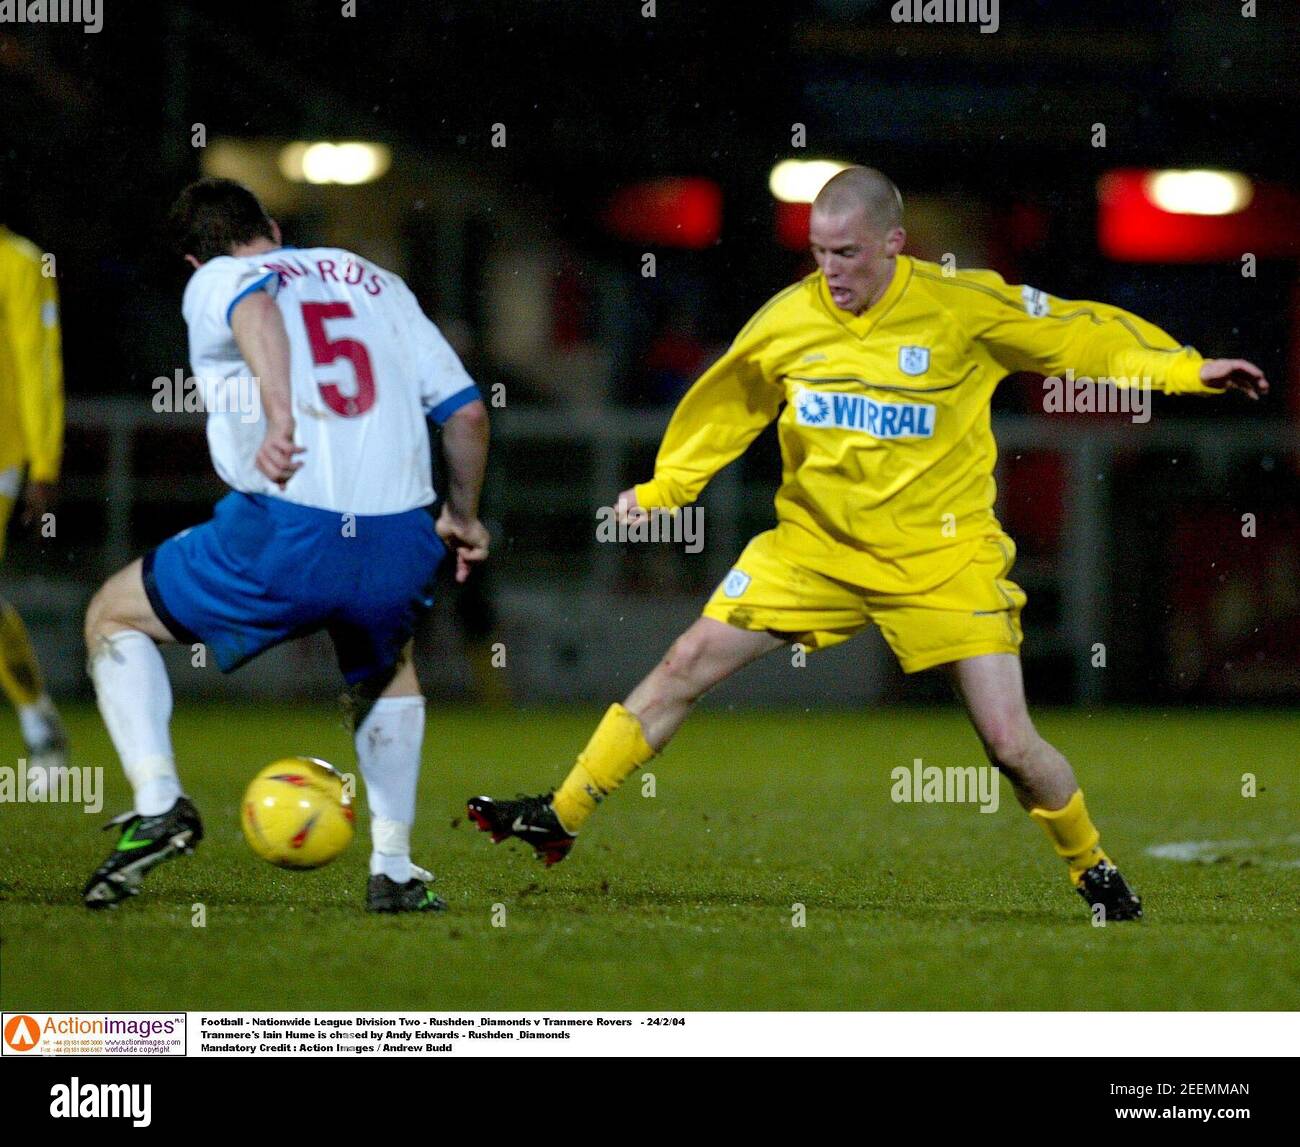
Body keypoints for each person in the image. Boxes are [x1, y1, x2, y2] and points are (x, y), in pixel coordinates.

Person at [468, 166, 1268, 921]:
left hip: (941, 560)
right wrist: (664, 490)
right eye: (818, 253)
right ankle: (562, 810)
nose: (830, 271)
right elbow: (730, 400)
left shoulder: (961, 306)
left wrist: (1186, 370)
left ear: (894, 242)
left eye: (846, 253)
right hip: (814, 549)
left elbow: (1078, 336)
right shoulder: (792, 317)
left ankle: (1092, 865)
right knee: (684, 662)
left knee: (1011, 746)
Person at [82, 178, 490, 912]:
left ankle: (160, 802)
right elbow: (465, 413)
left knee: (111, 615)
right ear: (272, 224)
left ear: (189, 257)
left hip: (287, 532)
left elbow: (256, 306)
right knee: (388, 672)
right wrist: (464, 516)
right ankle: (393, 867)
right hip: (401, 537)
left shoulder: (222, 276)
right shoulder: (381, 282)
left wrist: (278, 415)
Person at [0, 221, 68, 781]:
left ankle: (35, 714)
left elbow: (38, 361)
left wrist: (43, 462)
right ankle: (38, 714)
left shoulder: (20, 261)